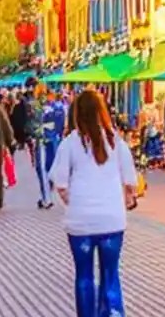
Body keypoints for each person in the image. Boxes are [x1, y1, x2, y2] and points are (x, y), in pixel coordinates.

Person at [49, 90, 137, 317]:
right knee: (110, 274)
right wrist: (127, 199)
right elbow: (131, 182)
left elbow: (60, 183)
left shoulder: (69, 144)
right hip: (111, 221)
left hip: (80, 222)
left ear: (77, 113)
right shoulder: (116, 142)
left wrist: (73, 202)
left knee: (84, 275)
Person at [37, 92, 66, 209]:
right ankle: (47, 194)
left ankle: (46, 198)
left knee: (43, 168)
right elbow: (60, 124)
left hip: (46, 140)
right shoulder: (59, 108)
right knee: (50, 166)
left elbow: (44, 125)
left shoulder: (45, 109)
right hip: (54, 139)